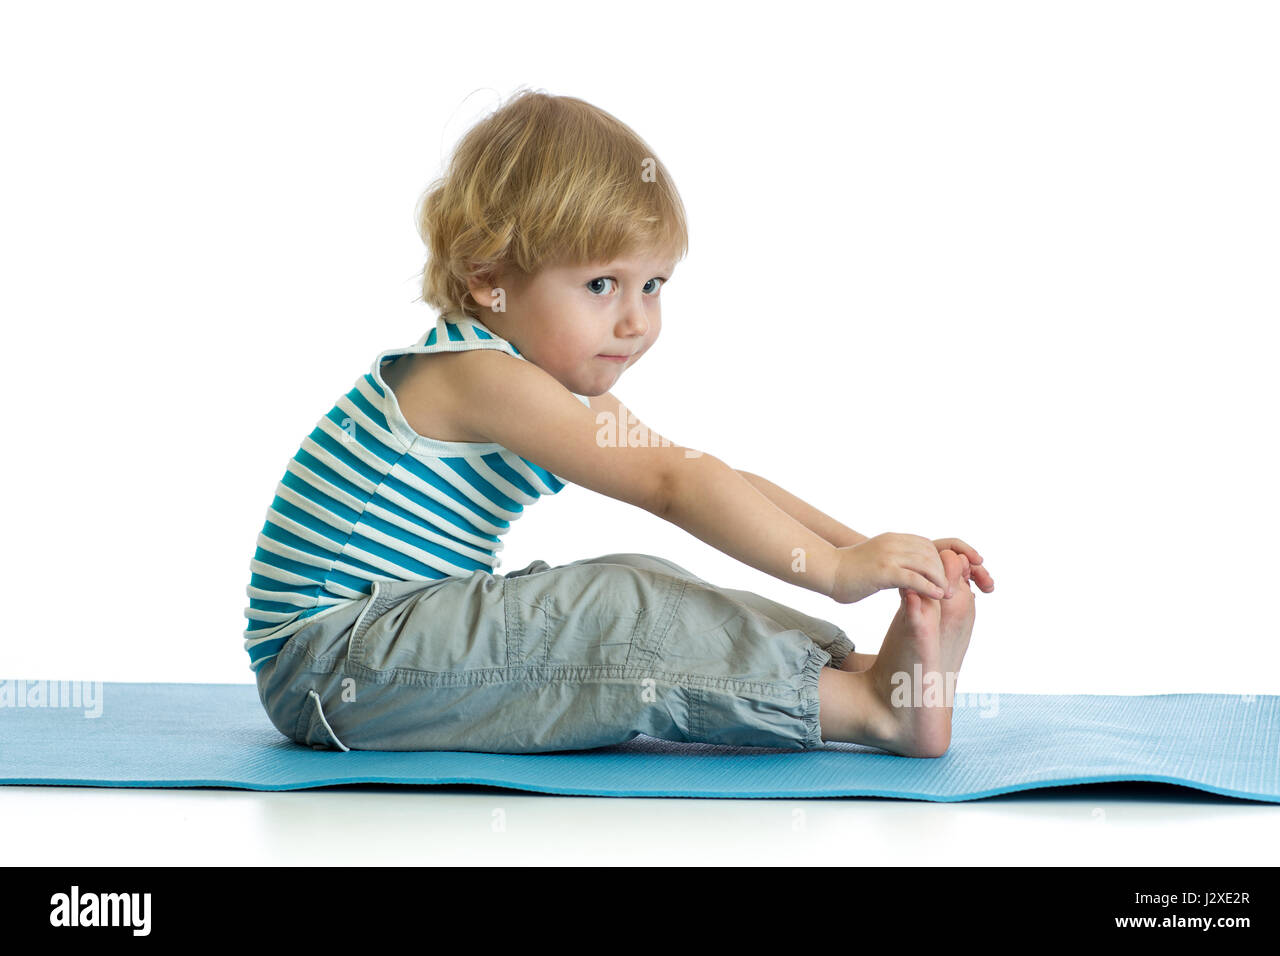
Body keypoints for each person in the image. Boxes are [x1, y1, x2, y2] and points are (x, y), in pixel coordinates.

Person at [244, 88, 995, 758]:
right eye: (601, 284)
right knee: (614, 612)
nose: (636, 320)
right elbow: (673, 485)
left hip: (391, 642)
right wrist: (834, 572)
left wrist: (861, 547)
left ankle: (856, 671)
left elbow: (707, 474)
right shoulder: (477, 376)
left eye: (654, 285)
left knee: (641, 579)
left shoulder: (527, 376)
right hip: (329, 663)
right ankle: (872, 711)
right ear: (488, 277)